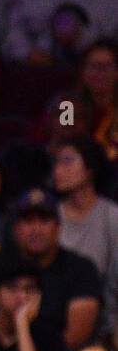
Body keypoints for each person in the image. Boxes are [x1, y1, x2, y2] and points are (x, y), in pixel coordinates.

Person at [0, 188, 102, 351]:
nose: (36, 229)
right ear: (15, 228)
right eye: (28, 221)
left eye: (44, 220)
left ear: (58, 227)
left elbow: (74, 339)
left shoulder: (81, 269)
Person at [53, 139, 118, 326]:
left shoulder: (112, 216)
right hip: (55, 314)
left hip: (103, 318)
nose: (57, 170)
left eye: (67, 161)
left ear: (90, 169)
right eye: (56, 163)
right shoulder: (50, 216)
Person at [0, 260, 57, 351]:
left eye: (29, 289)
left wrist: (22, 323)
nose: (22, 296)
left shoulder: (48, 336)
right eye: (12, 288)